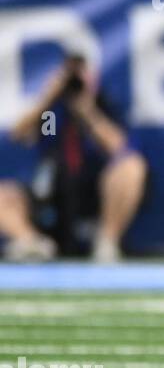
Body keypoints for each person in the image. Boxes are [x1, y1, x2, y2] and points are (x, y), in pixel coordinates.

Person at [0, 56, 148, 262]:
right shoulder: (51, 114)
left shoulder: (105, 107)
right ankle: (30, 242)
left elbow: (121, 148)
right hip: (52, 193)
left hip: (95, 192)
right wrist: (47, 98)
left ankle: (106, 242)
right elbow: (18, 134)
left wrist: (87, 112)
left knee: (132, 167)